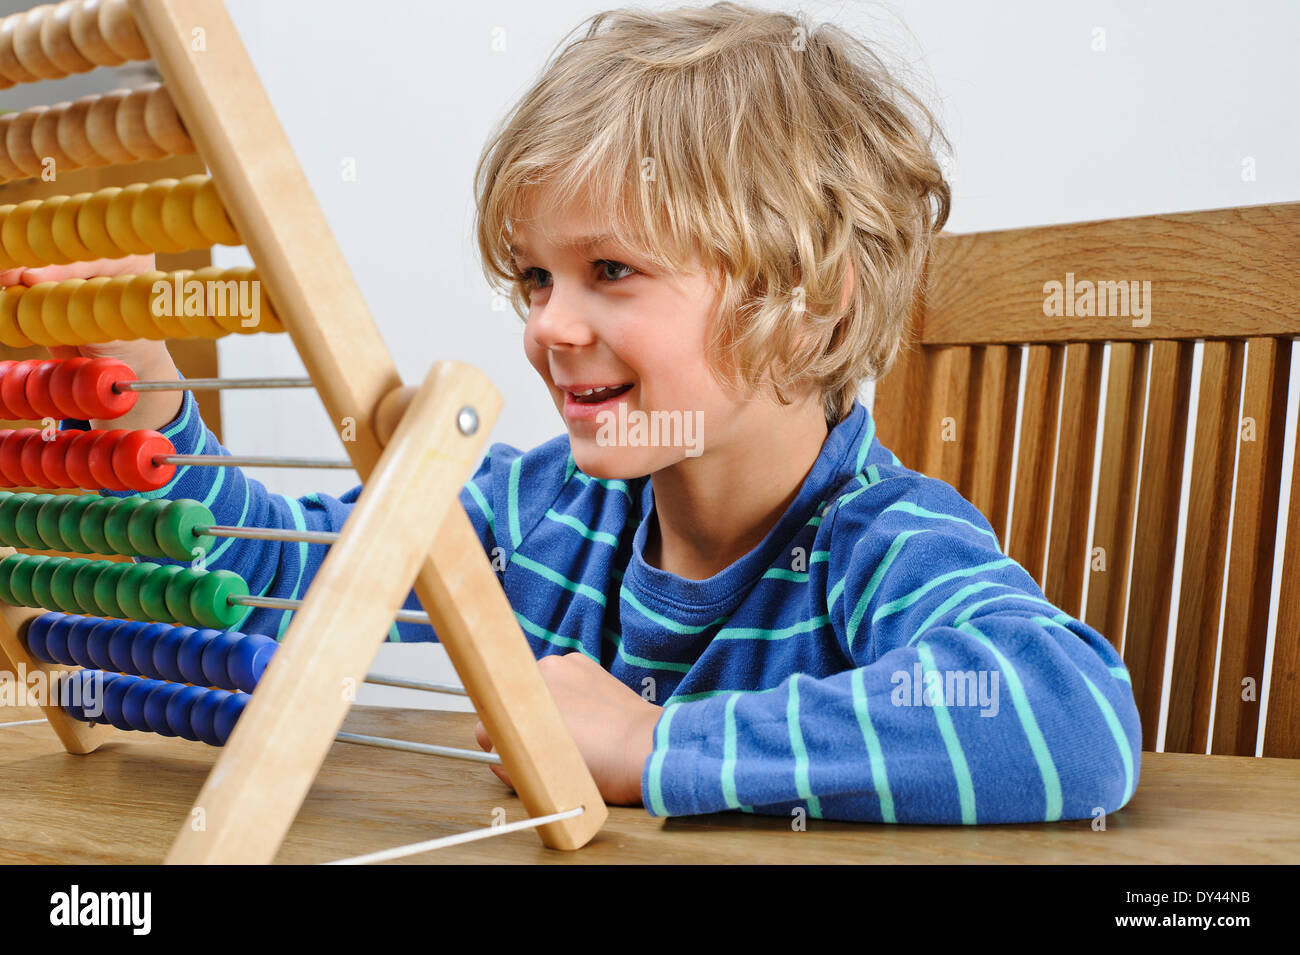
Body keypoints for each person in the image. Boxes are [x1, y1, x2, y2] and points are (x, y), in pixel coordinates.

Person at [18, 2, 1140, 823]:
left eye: (610, 270)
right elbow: (273, 583)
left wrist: (658, 743)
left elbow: (1072, 719)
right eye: (532, 278)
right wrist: (141, 395)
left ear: (809, 303)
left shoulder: (876, 540)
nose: (548, 326)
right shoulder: (532, 510)